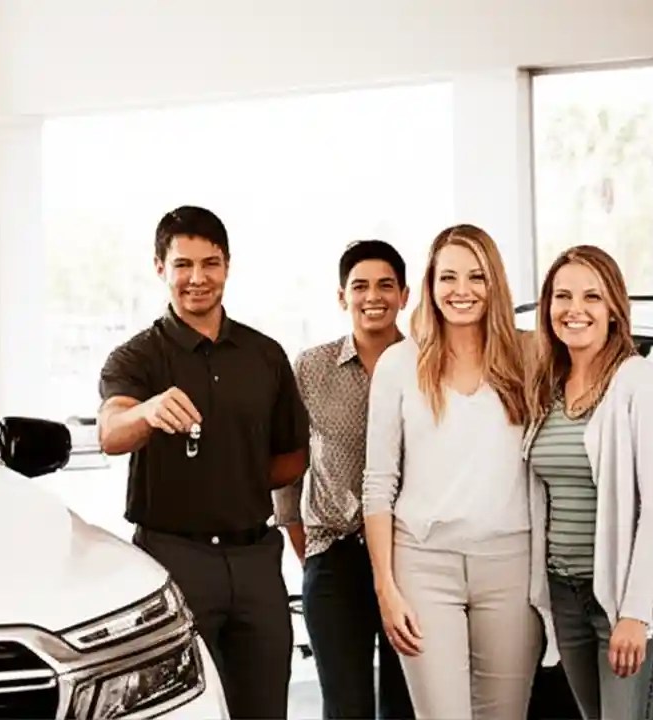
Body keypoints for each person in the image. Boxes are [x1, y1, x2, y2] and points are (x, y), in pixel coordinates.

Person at [97, 205, 308, 719]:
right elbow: (111, 432)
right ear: (160, 268)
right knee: (177, 710)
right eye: (183, 264)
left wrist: (232, 479)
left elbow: (293, 457)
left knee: (265, 708)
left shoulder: (265, 355)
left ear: (227, 266)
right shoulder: (137, 357)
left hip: (256, 559)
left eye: (210, 263)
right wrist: (147, 411)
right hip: (174, 559)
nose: (197, 278)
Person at [361, 223, 541, 719]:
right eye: (448, 278)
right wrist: (386, 587)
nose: (461, 291)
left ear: (494, 284)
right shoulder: (400, 363)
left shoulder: (530, 356)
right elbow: (377, 484)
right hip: (423, 565)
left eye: (476, 277)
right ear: (431, 285)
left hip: (511, 565)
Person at [523, 245, 653, 720]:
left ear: (613, 308)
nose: (574, 309)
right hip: (565, 594)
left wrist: (634, 613)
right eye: (562, 295)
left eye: (591, 296)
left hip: (622, 603)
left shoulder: (638, 381)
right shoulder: (547, 385)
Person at [274, 240, 416, 719]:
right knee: (345, 704)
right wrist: (304, 541)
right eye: (360, 286)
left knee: (407, 703)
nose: (372, 296)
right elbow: (289, 461)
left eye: (385, 285)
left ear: (405, 295)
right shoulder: (312, 367)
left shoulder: (425, 363)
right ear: (342, 297)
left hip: (412, 558)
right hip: (333, 556)